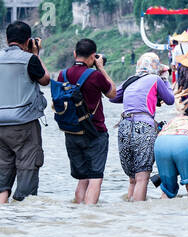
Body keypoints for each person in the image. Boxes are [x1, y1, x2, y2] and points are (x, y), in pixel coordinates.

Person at [112, 51, 174, 201]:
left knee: (132, 178)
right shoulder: (155, 79)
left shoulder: (130, 81)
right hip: (144, 127)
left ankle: (130, 209)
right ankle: (140, 215)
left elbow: (112, 97)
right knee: (142, 178)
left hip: (124, 126)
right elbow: (170, 99)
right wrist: (165, 79)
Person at [60, 38, 116, 205]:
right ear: (93, 56)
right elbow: (112, 93)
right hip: (95, 132)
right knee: (95, 178)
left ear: (75, 54)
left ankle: (78, 216)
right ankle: (89, 215)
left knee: (82, 178)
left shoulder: (62, 74)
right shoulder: (95, 76)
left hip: (71, 132)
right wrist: (101, 68)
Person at [0, 21, 50, 203]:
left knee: (2, 179)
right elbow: (45, 80)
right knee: (28, 169)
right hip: (24, 124)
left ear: (6, 39)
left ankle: (4, 216)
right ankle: (22, 219)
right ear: (28, 40)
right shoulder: (29, 59)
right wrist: (36, 54)